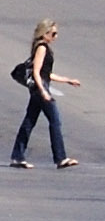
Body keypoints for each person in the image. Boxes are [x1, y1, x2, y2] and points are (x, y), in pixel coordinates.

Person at [9, 19, 69, 169]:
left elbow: (46, 73)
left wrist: (67, 80)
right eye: (53, 33)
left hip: (40, 87)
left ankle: (17, 157)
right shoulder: (42, 48)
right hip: (40, 89)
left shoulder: (43, 47)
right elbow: (36, 72)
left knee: (29, 122)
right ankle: (60, 158)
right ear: (45, 33)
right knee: (55, 121)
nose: (56, 37)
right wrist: (43, 91)